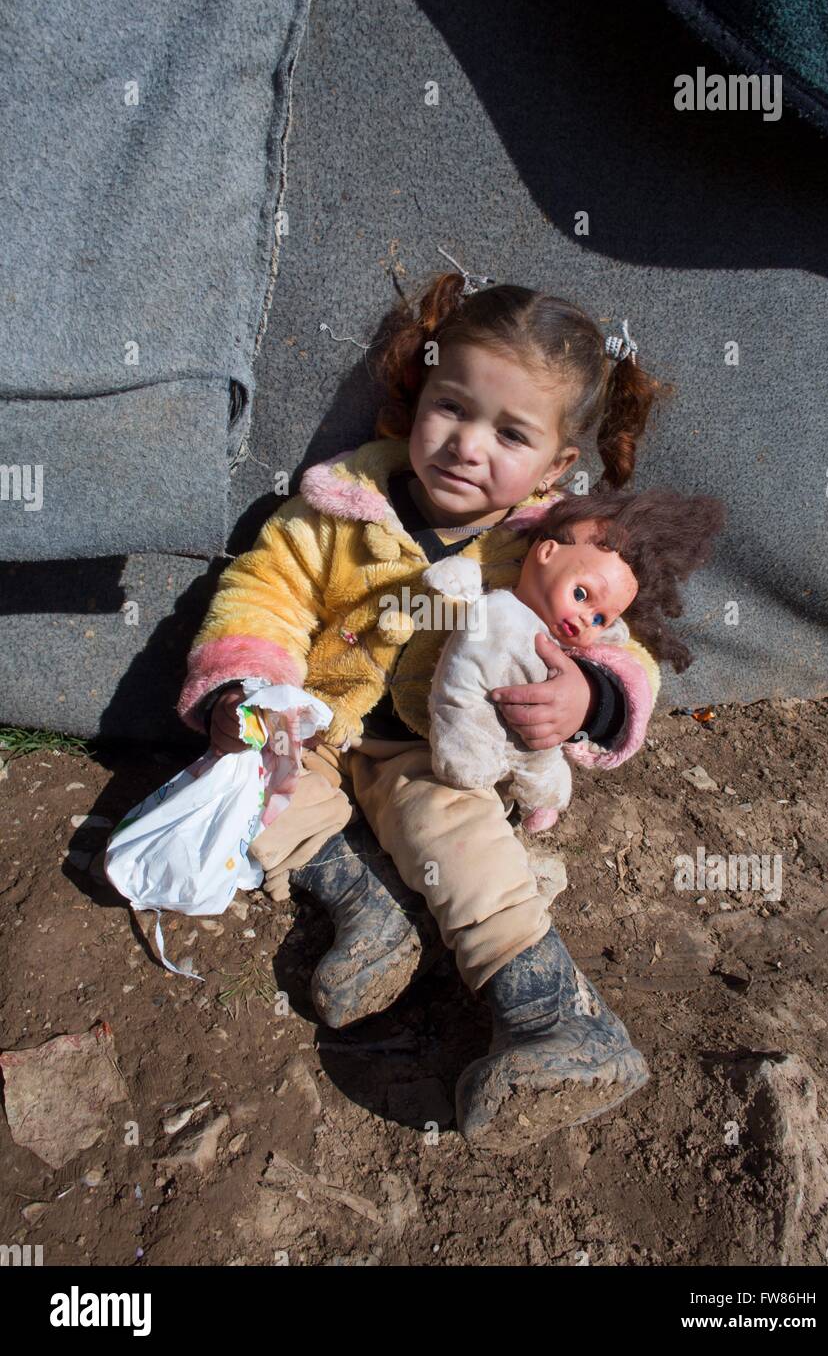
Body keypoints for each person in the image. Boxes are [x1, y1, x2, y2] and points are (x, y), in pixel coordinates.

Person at [177, 253, 678, 1153]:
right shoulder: (341, 507)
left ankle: (557, 1018)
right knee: (244, 768)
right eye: (453, 408)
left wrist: (588, 697)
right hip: (329, 723)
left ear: (557, 463)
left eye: (511, 435)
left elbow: (617, 643)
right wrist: (244, 683)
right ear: (422, 394)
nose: (468, 445)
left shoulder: (547, 548)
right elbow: (267, 590)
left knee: (460, 843)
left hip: (446, 752)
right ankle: (368, 903)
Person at [423, 488, 726, 833]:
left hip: (525, 746)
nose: (585, 619)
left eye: (599, 620)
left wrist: (590, 700)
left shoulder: (579, 640)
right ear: (547, 551)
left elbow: (636, 670)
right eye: (581, 595)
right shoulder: (499, 564)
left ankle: (536, 804)